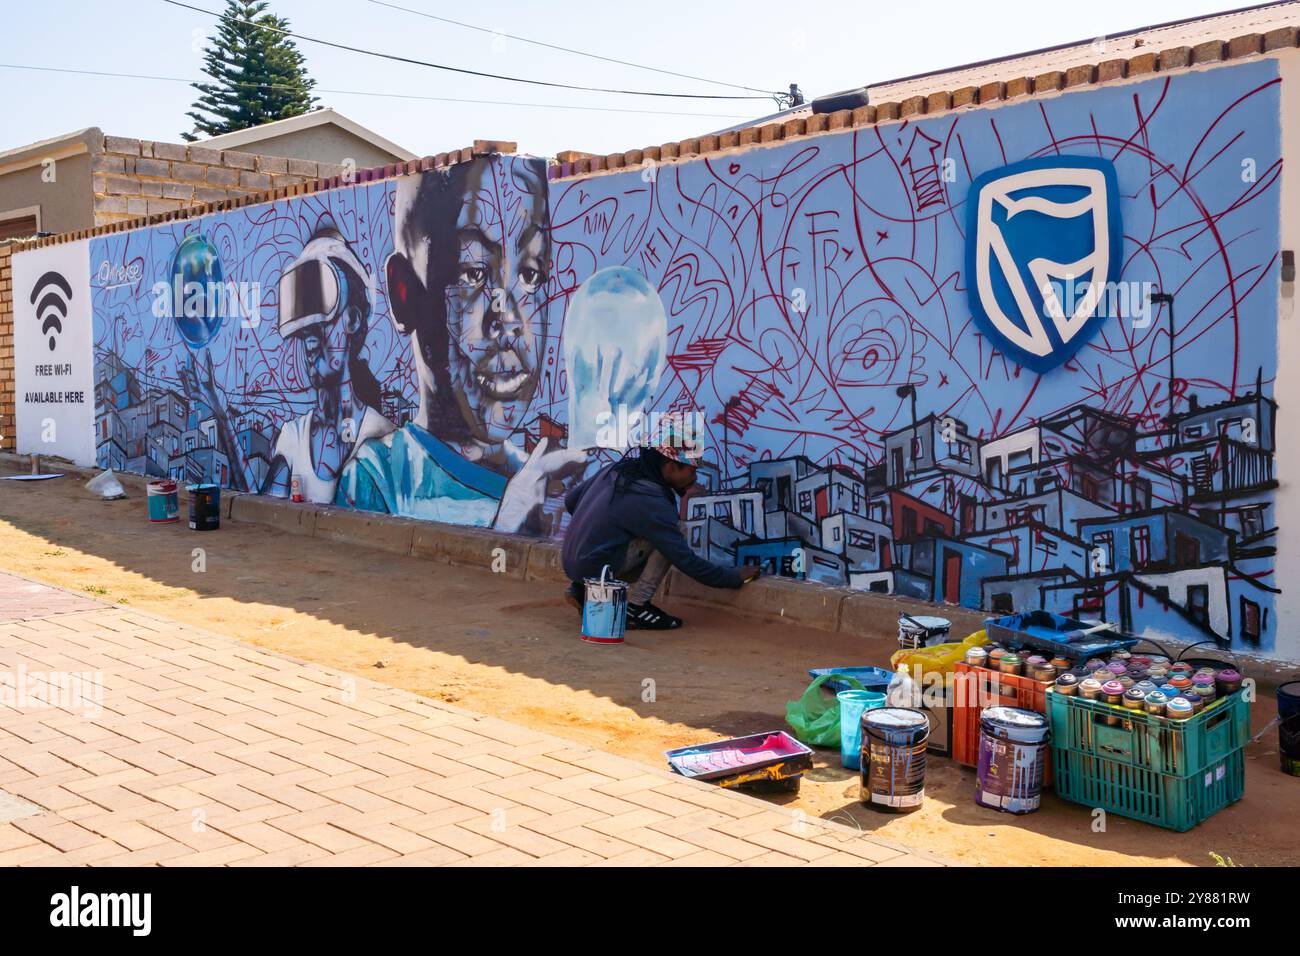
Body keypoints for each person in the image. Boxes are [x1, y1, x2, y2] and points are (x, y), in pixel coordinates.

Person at [337, 155, 585, 532]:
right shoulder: (378, 482)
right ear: (404, 294)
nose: (510, 321)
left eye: (532, 275)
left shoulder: (539, 478)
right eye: (474, 272)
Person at [561, 443, 761, 629]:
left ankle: (581, 588)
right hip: (599, 568)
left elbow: (571, 501)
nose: (695, 479)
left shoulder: (616, 469)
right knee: (676, 530)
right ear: (671, 467)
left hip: (572, 562)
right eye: (691, 471)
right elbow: (685, 560)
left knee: (633, 533)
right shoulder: (653, 501)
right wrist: (733, 577)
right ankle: (637, 606)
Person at [263, 222, 394, 502]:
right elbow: (266, 521)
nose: (309, 339)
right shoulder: (291, 438)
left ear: (353, 319)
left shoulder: (382, 438)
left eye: (323, 315)